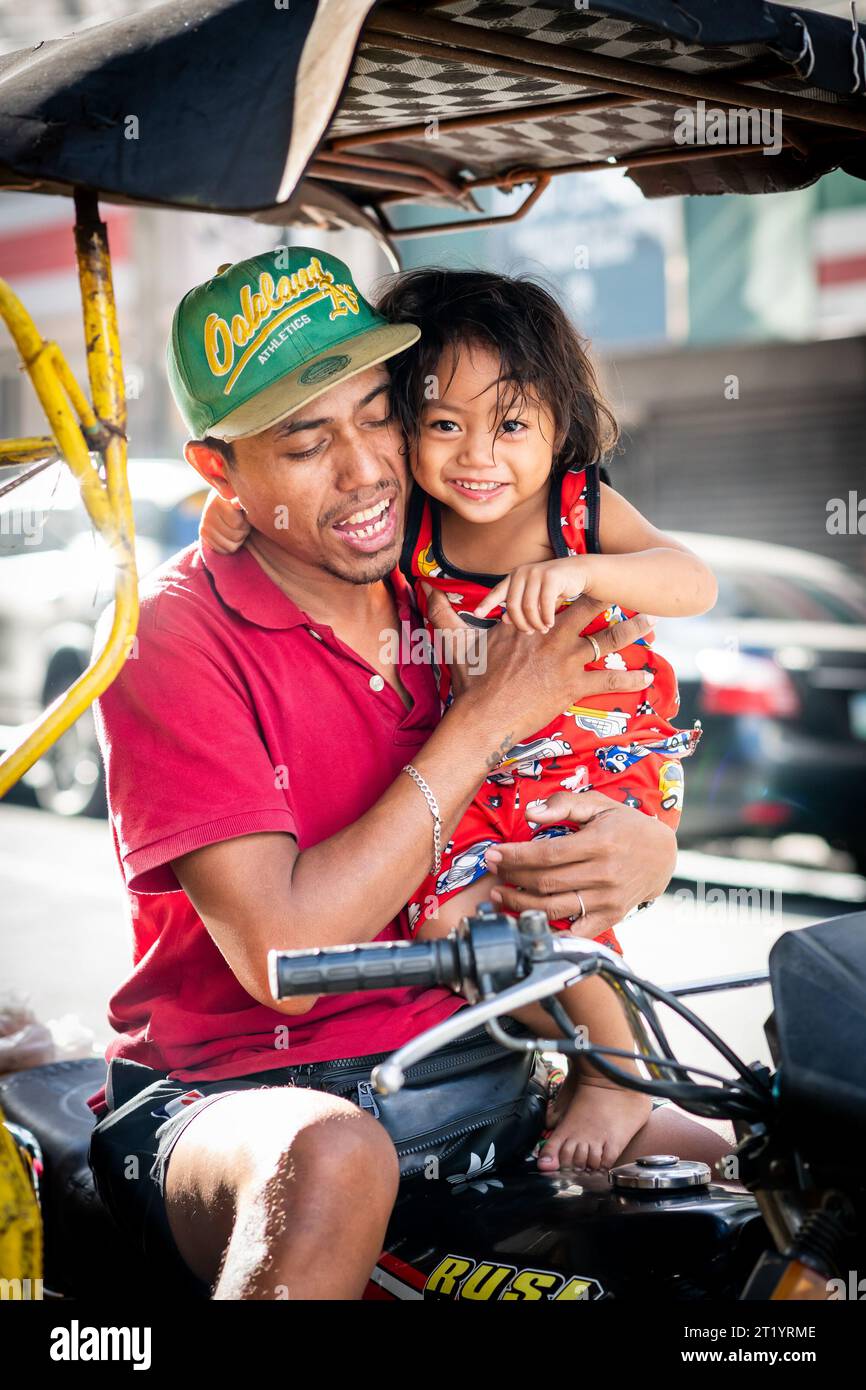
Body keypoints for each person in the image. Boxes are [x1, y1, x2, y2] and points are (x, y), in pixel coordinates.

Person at [91, 247, 701, 1301]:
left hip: (475, 1057)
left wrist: (640, 854)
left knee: (762, 1166)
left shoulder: (445, 566)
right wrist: (484, 717)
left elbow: (585, 757)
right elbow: (283, 948)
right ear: (218, 472)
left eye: (377, 415)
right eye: (303, 441)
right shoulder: (172, 637)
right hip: (237, 1094)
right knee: (333, 1159)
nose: (366, 467)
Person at [203, 265, 720, 1175]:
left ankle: (619, 1069)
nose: (479, 458)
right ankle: (586, 1051)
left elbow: (691, 580)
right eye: (444, 425)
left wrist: (587, 574)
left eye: (512, 425)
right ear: (411, 429)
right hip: (500, 763)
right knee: (451, 928)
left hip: (597, 755)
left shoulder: (576, 511)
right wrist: (234, 506)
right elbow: (315, 516)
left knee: (555, 905)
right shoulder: (416, 530)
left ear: (560, 424)